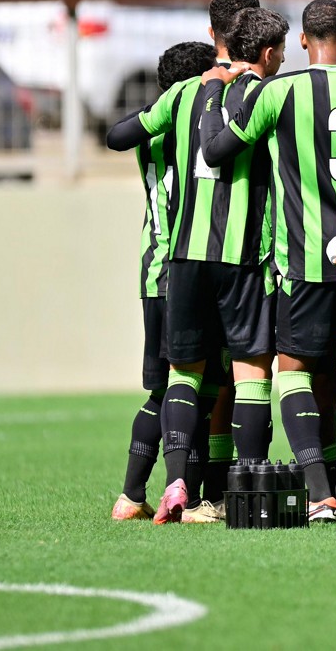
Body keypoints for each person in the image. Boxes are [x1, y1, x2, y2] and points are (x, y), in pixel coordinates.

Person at [199, 0, 336, 523]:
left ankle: (319, 494)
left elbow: (216, 151)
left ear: (303, 42)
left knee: (294, 370)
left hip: (303, 260)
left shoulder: (276, 92)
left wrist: (220, 87)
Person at [106, 0, 275, 525]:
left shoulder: (177, 100)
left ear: (214, 33)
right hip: (242, 256)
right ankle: (231, 490)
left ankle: (163, 488)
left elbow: (118, 134)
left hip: (174, 259)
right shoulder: (266, 92)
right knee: (240, 377)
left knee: (180, 379)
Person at [110, 40, 215, 522]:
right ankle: (189, 498)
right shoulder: (196, 128)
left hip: (152, 271)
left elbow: (116, 134)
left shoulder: (149, 130)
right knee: (195, 385)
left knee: (162, 390)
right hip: (189, 267)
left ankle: (132, 495)